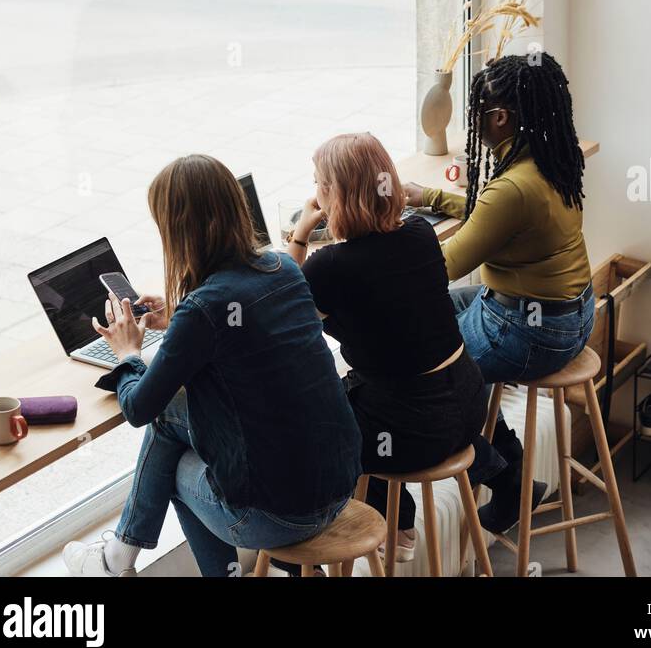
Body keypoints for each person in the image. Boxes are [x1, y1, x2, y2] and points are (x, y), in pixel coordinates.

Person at [63, 155, 362, 578]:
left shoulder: (205, 309)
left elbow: (138, 408)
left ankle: (119, 559)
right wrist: (182, 314)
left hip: (279, 515)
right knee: (199, 424)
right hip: (341, 485)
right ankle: (117, 557)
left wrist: (129, 353)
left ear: (178, 229)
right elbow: (247, 335)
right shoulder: (285, 269)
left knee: (166, 434)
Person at [403, 52, 595, 534]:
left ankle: (509, 481)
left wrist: (386, 240)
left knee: (430, 379)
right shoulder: (549, 157)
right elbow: (491, 217)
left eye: (477, 113)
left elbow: (443, 267)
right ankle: (500, 456)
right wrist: (427, 198)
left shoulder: (512, 188)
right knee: (434, 324)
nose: (474, 123)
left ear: (501, 117)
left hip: (532, 332)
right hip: (568, 316)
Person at [287, 132, 498, 563]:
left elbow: (284, 303)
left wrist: (301, 232)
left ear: (336, 193)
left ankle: (305, 550)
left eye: (319, 184)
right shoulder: (419, 232)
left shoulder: (330, 266)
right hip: (471, 404)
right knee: (365, 390)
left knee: (315, 420)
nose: (314, 193)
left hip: (415, 432)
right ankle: (402, 521)